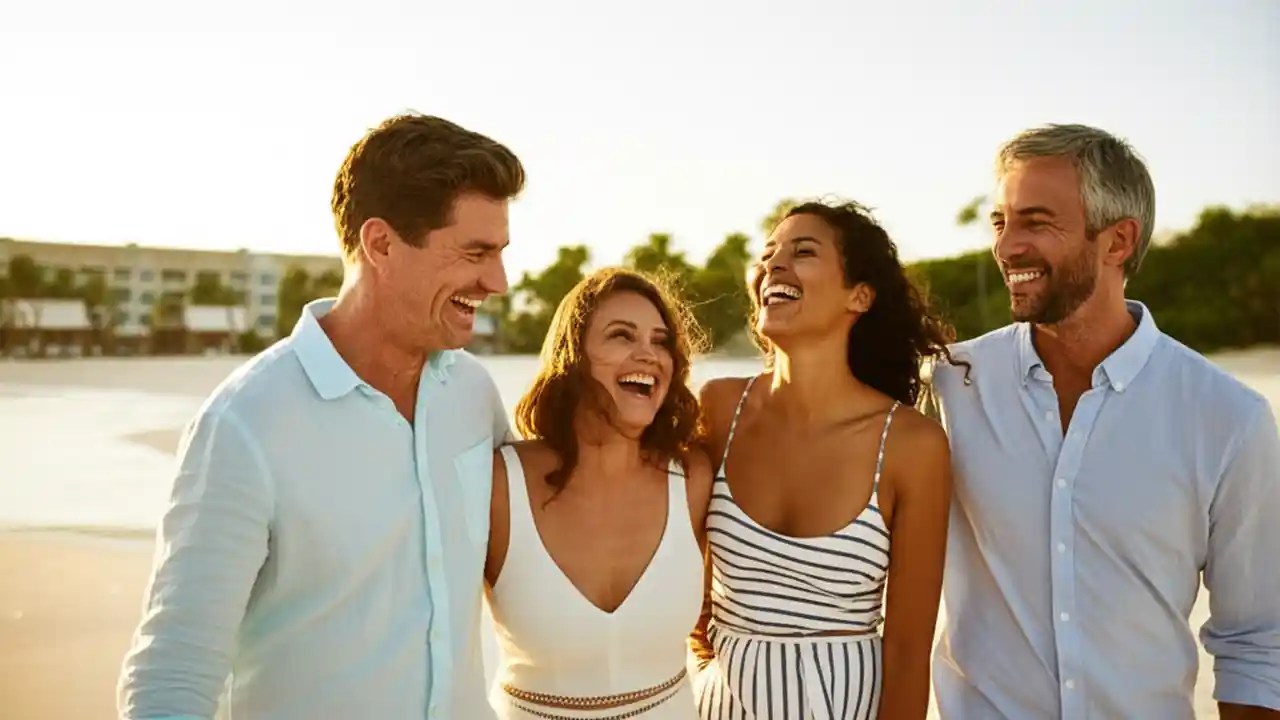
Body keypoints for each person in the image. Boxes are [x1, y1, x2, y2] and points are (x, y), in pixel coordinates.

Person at [117, 113, 525, 720]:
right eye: (474, 253)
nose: (497, 280)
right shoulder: (246, 422)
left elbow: (542, 559)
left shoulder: (472, 394)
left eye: (499, 253)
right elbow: (173, 668)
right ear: (381, 244)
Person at [930, 123, 1280, 719]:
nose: (1007, 246)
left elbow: (1258, 643)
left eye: (1036, 222)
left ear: (1117, 241)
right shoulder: (947, 387)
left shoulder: (1229, 418)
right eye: (1001, 222)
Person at [690, 199, 955, 720]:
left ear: (859, 295)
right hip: (716, 705)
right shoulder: (719, 408)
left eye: (802, 251)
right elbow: (676, 579)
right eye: (767, 254)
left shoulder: (910, 445)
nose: (773, 264)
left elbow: (906, 654)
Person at [484, 267, 712, 719]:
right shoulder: (500, 484)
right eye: (622, 336)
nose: (649, 354)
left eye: (660, 341)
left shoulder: (694, 478)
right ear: (574, 357)